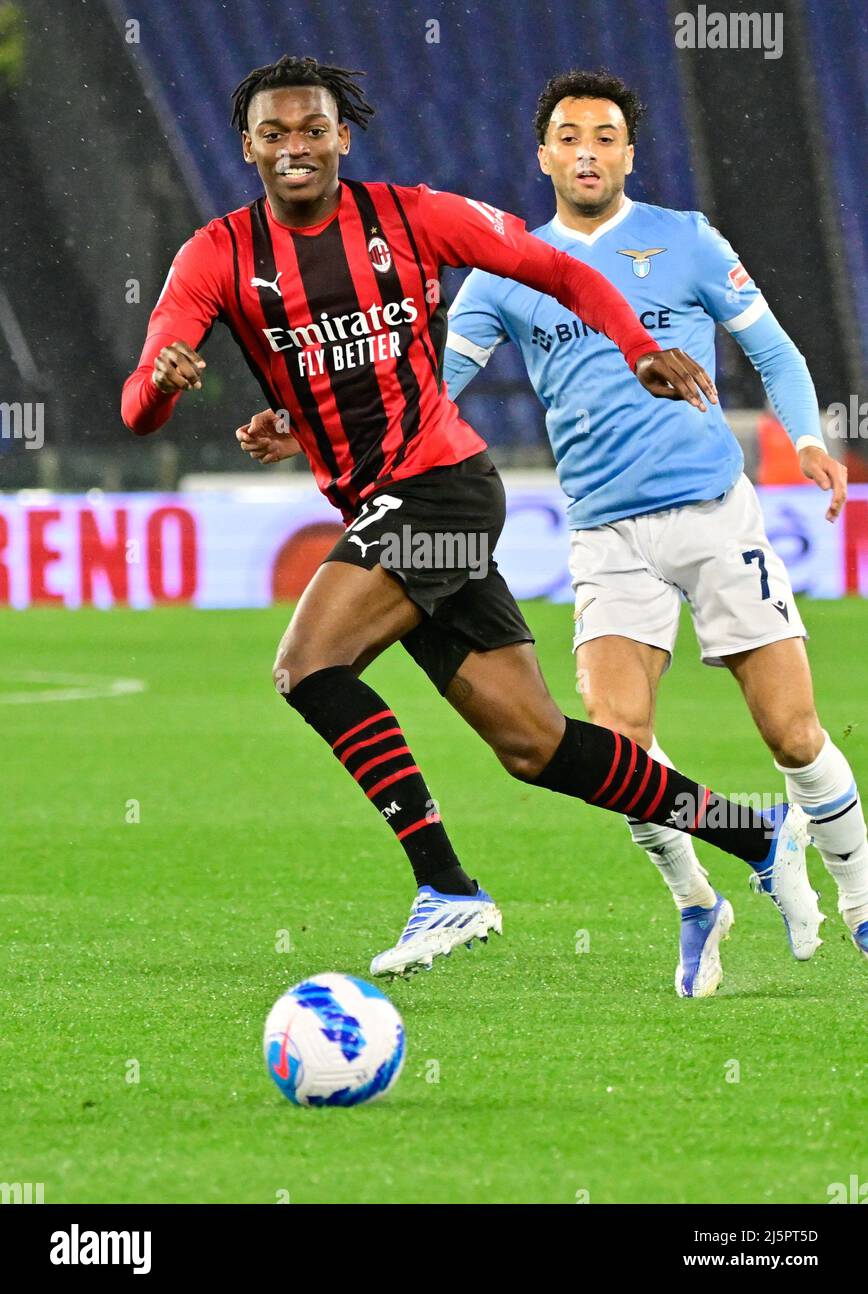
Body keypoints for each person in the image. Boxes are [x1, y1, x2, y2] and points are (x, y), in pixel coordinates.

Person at [122, 54, 817, 983]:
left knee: (308, 666)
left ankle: (446, 887)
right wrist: (163, 382)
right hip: (386, 505)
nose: (296, 146)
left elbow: (556, 270)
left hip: (442, 488)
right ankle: (755, 835)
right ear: (247, 147)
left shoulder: (411, 216)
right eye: (274, 132)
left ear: (342, 137)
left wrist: (639, 346)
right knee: (536, 745)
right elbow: (138, 405)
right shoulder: (215, 257)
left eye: (314, 128)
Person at [443, 67, 865, 995]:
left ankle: (860, 897)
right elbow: (432, 390)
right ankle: (697, 901)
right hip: (606, 533)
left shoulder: (686, 239)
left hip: (714, 515)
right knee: (619, 744)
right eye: (569, 137)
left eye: (605, 137)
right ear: (543, 155)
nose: (587, 152)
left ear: (629, 153)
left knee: (793, 733)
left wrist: (808, 440)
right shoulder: (506, 270)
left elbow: (775, 351)